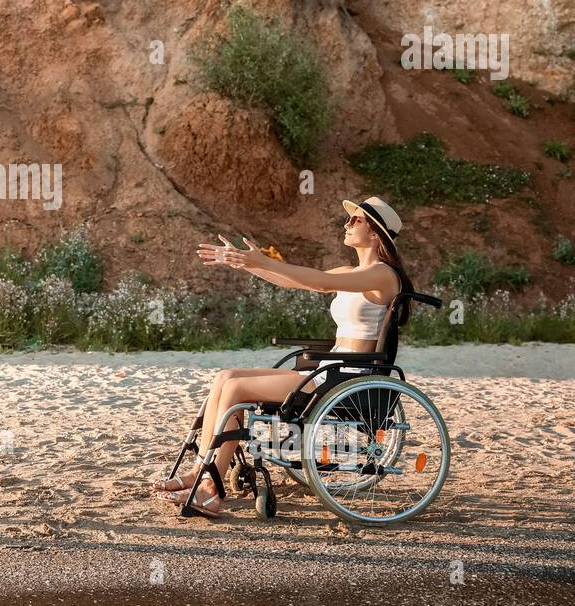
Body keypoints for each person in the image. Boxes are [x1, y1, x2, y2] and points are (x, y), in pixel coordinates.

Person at [151, 196, 412, 517]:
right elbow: (301, 282)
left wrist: (263, 261)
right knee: (225, 378)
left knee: (236, 390)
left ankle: (210, 488)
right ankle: (201, 472)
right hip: (332, 370)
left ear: (376, 233)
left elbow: (320, 279)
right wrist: (250, 263)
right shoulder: (356, 272)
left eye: (356, 219)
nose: (347, 224)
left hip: (348, 379)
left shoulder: (383, 275)